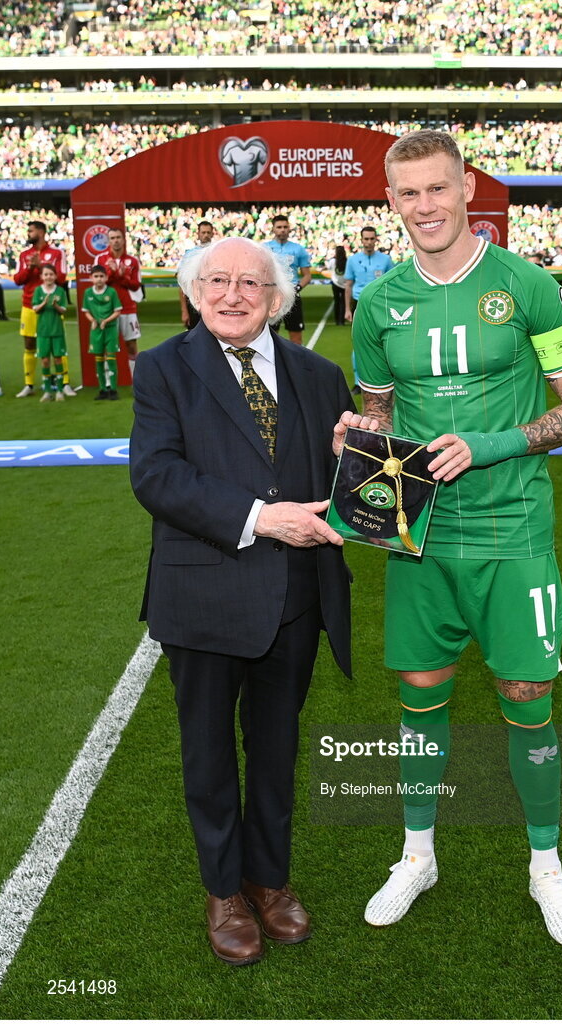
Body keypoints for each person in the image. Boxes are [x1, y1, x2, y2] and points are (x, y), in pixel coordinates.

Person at [352, 130, 562, 948]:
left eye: (436, 189)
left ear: (466, 190)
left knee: (526, 697)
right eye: (407, 194)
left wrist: (489, 445)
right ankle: (416, 854)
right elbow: (380, 411)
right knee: (418, 691)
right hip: (419, 533)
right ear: (390, 202)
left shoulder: (527, 285)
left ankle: (545, 869)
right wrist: (361, 433)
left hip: (512, 529)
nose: (423, 206)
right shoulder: (378, 303)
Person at [130, 237, 377, 967]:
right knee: (208, 757)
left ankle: (268, 882)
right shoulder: (162, 368)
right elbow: (156, 475)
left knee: (275, 752)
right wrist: (260, 518)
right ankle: (223, 893)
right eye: (216, 281)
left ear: (277, 299)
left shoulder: (319, 373)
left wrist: (355, 453)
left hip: (295, 600)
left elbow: (351, 490)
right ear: (193, 293)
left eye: (249, 283)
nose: (231, 294)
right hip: (202, 599)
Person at [13, 220, 76, 397]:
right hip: (29, 306)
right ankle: (29, 384)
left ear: (40, 232)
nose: (28, 234)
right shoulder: (24, 255)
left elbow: (62, 278)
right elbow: (18, 279)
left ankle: (64, 383)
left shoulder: (57, 253)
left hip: (52, 308)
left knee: (58, 346)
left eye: (31, 231)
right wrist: (31, 267)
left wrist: (41, 265)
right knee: (29, 344)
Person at [344, 226, 394, 393]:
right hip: (359, 304)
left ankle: (388, 380)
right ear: (361, 240)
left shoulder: (386, 260)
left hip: (380, 306)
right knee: (358, 344)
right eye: (366, 239)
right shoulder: (352, 260)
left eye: (372, 239)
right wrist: (347, 309)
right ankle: (359, 382)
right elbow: (348, 285)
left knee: (385, 342)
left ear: (376, 239)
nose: (369, 242)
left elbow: (393, 284)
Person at [96, 227, 143, 379]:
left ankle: (136, 383)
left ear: (123, 240)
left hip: (128, 309)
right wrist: (112, 272)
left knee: (131, 346)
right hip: (107, 310)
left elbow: (136, 285)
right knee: (108, 347)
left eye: (118, 237)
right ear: (108, 241)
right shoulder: (101, 260)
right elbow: (99, 283)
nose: (115, 240)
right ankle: (109, 385)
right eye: (112, 238)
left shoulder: (133, 261)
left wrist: (122, 276)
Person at [263, 215, 311, 345]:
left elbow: (307, 275)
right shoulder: (264, 248)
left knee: (296, 337)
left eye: (285, 227)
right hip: (272, 297)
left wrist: (297, 288)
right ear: (273, 229)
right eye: (279, 227)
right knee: (269, 337)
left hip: (292, 297)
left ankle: (296, 365)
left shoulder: (298, 249)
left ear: (289, 229)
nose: (282, 230)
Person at [82, 265, 122, 400]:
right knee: (98, 360)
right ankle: (103, 389)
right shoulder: (88, 293)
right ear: (91, 278)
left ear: (106, 278)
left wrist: (106, 320)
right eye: (96, 276)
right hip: (96, 330)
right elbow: (86, 311)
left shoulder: (111, 292)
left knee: (111, 358)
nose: (99, 279)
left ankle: (114, 389)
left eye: (101, 276)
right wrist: (92, 320)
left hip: (110, 330)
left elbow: (117, 311)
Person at [32, 264, 68, 402]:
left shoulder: (60, 291)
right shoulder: (38, 291)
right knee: (45, 360)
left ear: (55, 276)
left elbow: (63, 310)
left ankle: (59, 390)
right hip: (43, 331)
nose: (48, 277)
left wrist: (55, 306)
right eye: (46, 274)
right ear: (41, 276)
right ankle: (47, 391)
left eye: (51, 274)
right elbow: (35, 309)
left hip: (57, 330)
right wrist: (44, 303)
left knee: (58, 359)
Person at [179, 220, 215, 329]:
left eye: (208, 233)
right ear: (198, 234)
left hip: (213, 301)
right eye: (203, 232)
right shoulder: (190, 255)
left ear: (212, 234)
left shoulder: (218, 252)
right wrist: (184, 311)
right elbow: (182, 285)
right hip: (195, 303)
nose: (206, 235)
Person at [327, 243, 348, 326]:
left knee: (336, 301)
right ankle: (342, 320)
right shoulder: (347, 261)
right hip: (345, 284)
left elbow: (329, 268)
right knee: (343, 302)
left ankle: (337, 321)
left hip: (335, 283)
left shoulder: (332, 261)